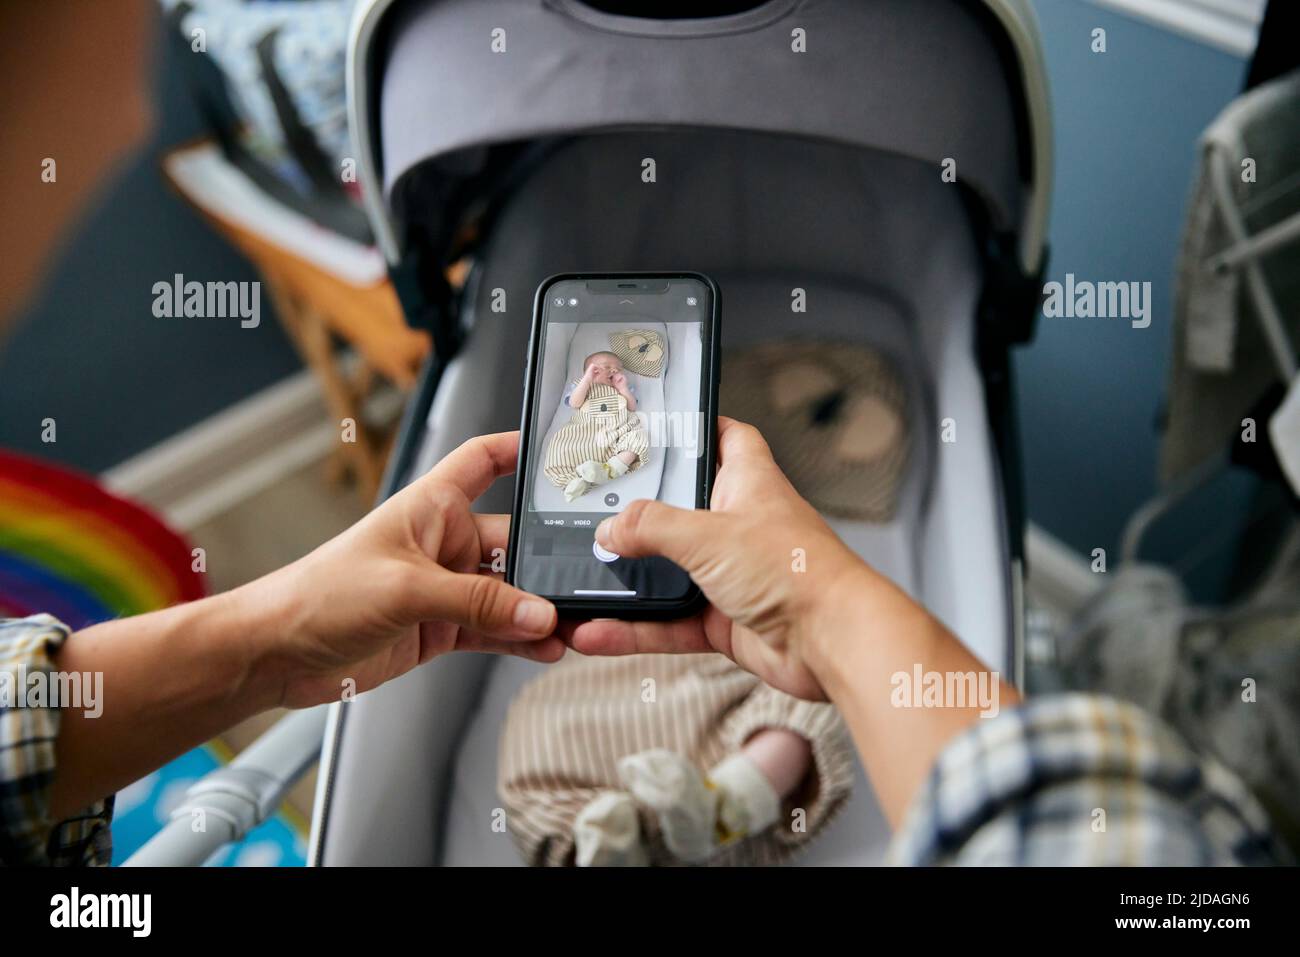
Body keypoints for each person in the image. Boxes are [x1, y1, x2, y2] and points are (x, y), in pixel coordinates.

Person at [1, 423, 1289, 865]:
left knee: (807, 717)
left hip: (720, 646)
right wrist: (833, 607)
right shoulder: (578, 491)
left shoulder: (736, 547)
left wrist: (818, 608)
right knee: (536, 722)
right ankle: (633, 823)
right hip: (582, 648)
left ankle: (722, 800)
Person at [544, 352, 649, 502]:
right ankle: (576, 481)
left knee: (638, 438)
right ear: (590, 371)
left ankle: (609, 470)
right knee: (561, 448)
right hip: (583, 432)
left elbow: (631, 407)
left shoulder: (622, 388)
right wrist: (587, 380)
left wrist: (623, 389)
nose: (614, 371)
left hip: (615, 433)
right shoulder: (581, 384)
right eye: (607, 367)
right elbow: (575, 403)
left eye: (618, 369)